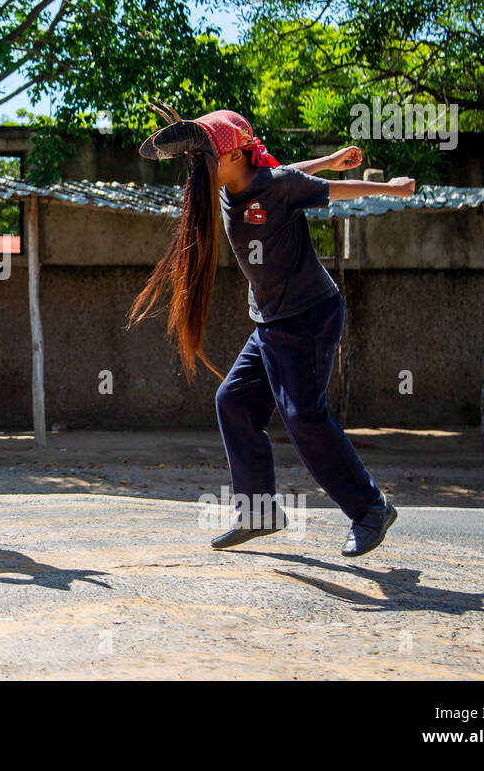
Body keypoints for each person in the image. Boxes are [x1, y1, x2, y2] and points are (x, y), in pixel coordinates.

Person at [129, 105, 415, 557]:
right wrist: (326, 157)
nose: (198, 172)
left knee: (303, 415)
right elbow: (291, 170)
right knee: (234, 401)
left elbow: (331, 190)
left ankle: (370, 509)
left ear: (234, 156)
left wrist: (390, 189)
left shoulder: (277, 188)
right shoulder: (230, 188)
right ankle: (259, 510)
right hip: (269, 322)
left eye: (205, 160)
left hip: (310, 315)